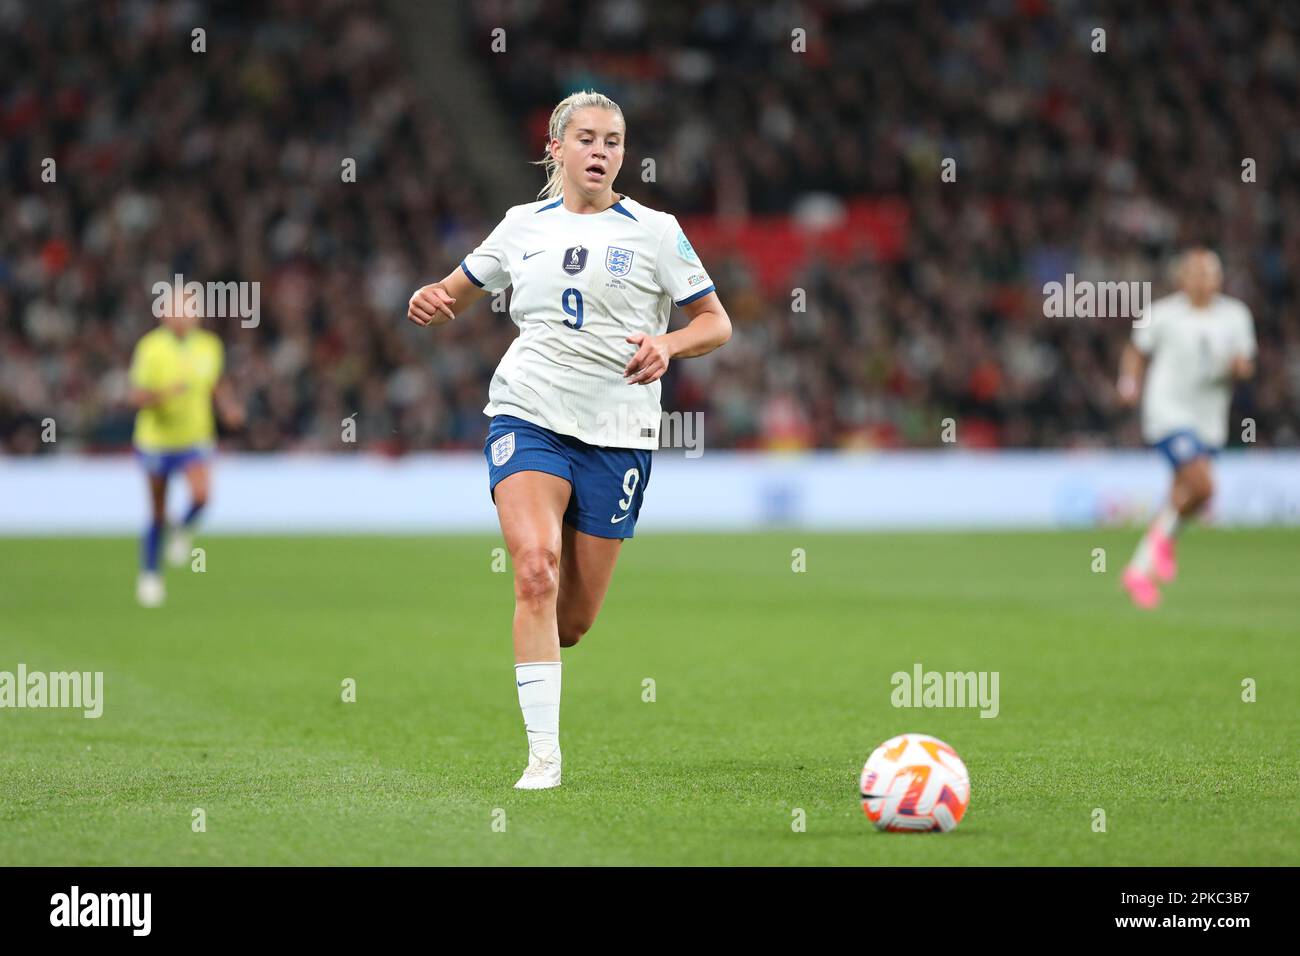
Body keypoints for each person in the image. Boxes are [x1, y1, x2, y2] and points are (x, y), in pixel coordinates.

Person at [407, 90, 732, 788]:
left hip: (618, 435)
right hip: (527, 414)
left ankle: (539, 658)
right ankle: (543, 757)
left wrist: (671, 345)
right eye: (586, 138)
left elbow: (715, 322)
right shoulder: (522, 225)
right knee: (534, 569)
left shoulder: (654, 230)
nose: (601, 152)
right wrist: (431, 299)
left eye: (613, 141)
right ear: (555, 147)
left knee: (574, 620)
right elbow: (453, 294)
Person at [1117, 249, 1256, 608]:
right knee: (1202, 484)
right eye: (1194, 273)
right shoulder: (1162, 314)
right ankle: (1163, 545)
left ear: (1219, 278)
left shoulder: (1235, 315)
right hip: (1167, 412)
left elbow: (1246, 365)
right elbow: (1135, 351)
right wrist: (1129, 383)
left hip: (1209, 418)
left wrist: (1239, 368)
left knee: (1190, 496)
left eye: (1209, 272)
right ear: (1182, 278)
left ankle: (1139, 570)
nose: (1202, 279)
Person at [127, 289, 243, 607]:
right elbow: (135, 397)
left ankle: (180, 529)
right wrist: (164, 394)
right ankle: (150, 575)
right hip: (156, 440)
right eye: (180, 310)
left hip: (195, 438)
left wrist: (228, 407)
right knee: (157, 511)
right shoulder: (151, 348)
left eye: (192, 309)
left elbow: (216, 382)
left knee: (203, 496)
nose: (187, 315)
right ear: (165, 314)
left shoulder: (209, 346)